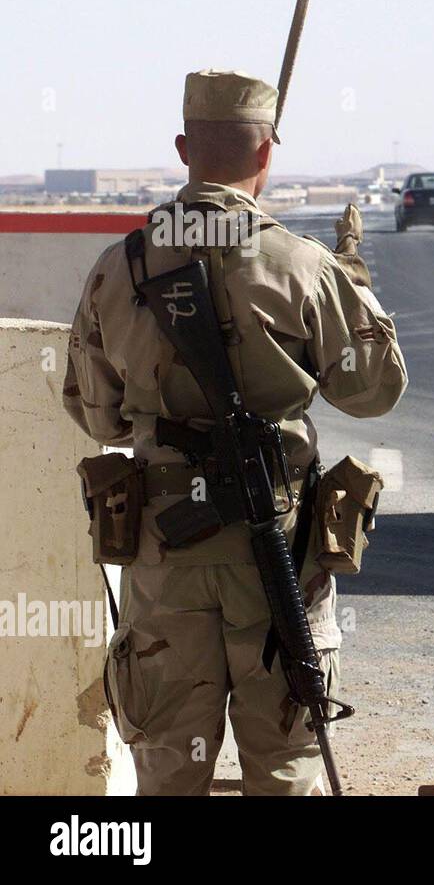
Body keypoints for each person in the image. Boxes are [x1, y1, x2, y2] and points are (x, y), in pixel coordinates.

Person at [62, 69, 408, 795]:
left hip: (165, 550)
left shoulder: (120, 268)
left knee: (166, 774)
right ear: (266, 156)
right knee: (284, 769)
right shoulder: (301, 265)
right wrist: (360, 287)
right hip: (276, 548)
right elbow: (374, 391)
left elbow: (98, 415)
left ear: (184, 148)